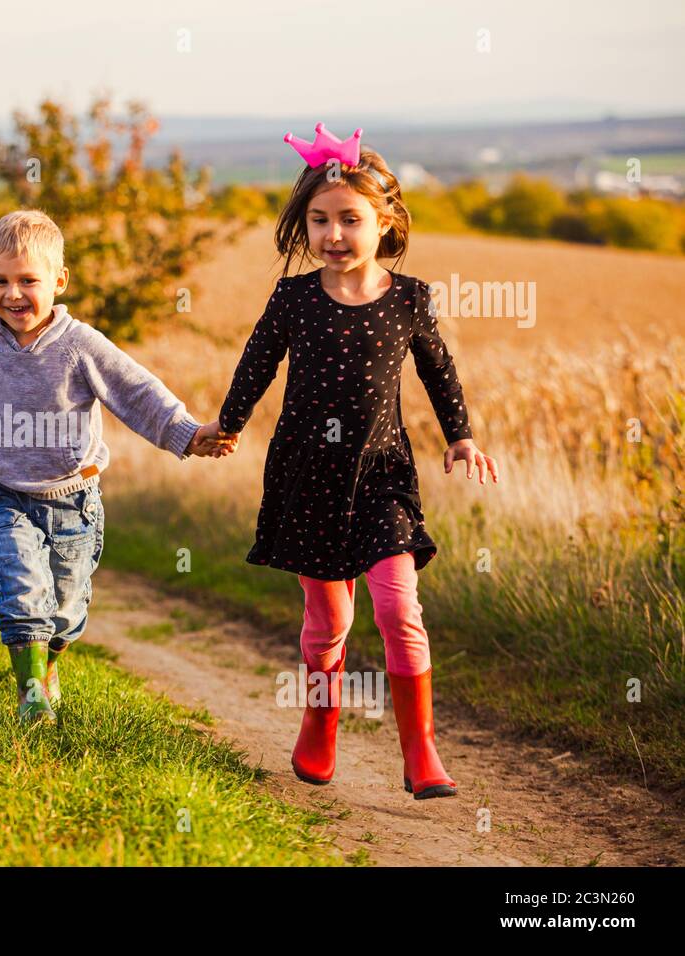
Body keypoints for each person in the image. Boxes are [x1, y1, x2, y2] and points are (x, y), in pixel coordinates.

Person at [215, 125, 500, 798]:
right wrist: (226, 426)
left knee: (399, 609)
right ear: (303, 224)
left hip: (383, 478)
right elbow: (255, 364)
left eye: (349, 219)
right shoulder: (293, 299)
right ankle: (321, 719)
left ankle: (421, 751)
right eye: (319, 220)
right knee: (331, 623)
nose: (333, 233)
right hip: (307, 477)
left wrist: (460, 436)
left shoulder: (409, 298)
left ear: (386, 222)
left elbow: (440, 372)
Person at [0, 209, 233, 724]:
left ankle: (48, 666)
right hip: (4, 495)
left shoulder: (79, 345)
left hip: (74, 500)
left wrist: (186, 434)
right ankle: (30, 694)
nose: (13, 294)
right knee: (21, 594)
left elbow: (136, 392)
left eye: (28, 280)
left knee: (65, 610)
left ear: (59, 281)